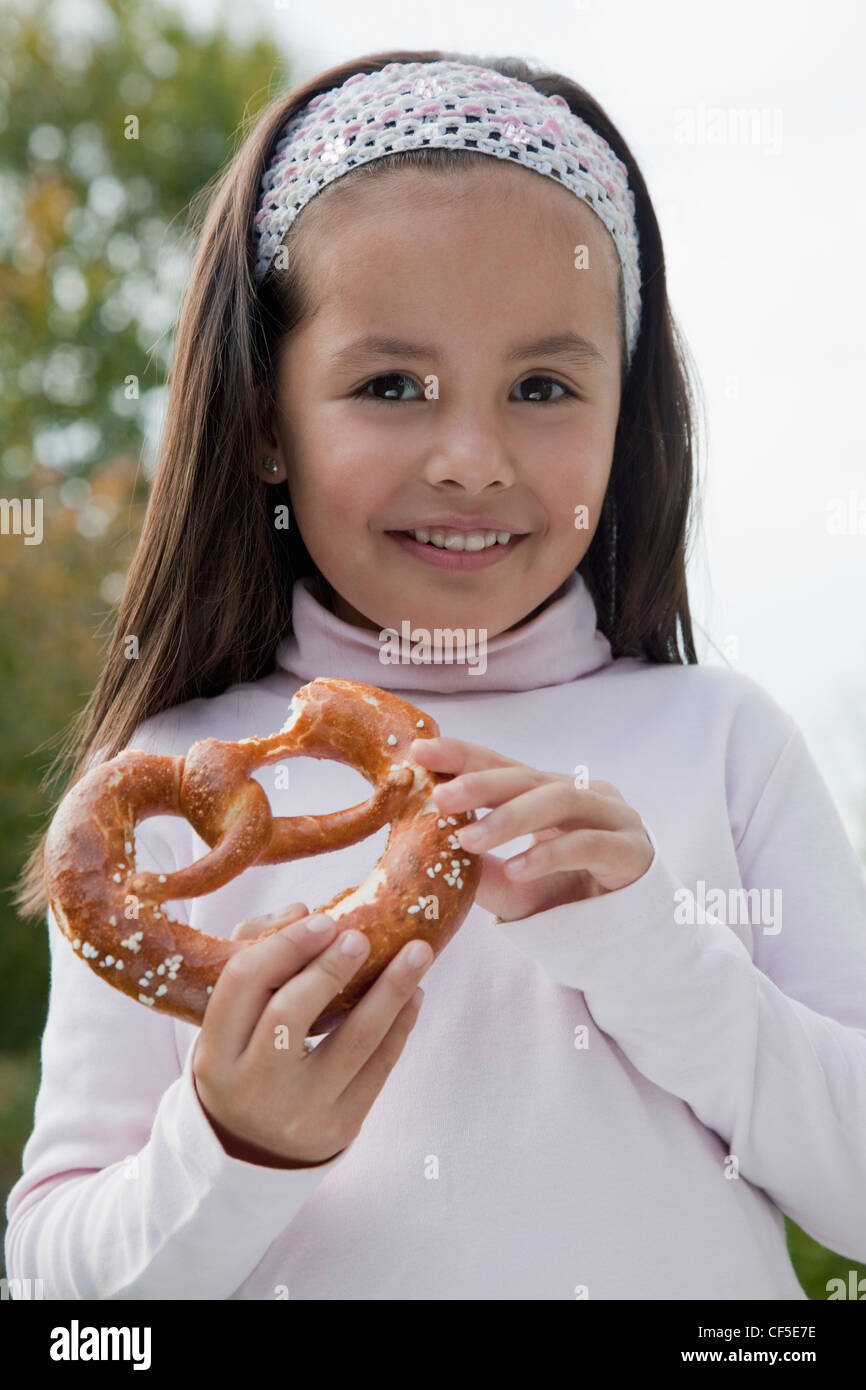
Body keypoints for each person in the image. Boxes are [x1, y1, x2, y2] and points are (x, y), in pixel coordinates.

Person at [6, 49, 866, 1302]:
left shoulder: (724, 741)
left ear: (626, 416)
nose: (471, 456)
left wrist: (657, 963)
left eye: (540, 386)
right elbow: (57, 1300)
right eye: (391, 385)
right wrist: (236, 1146)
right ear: (262, 422)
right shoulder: (155, 800)